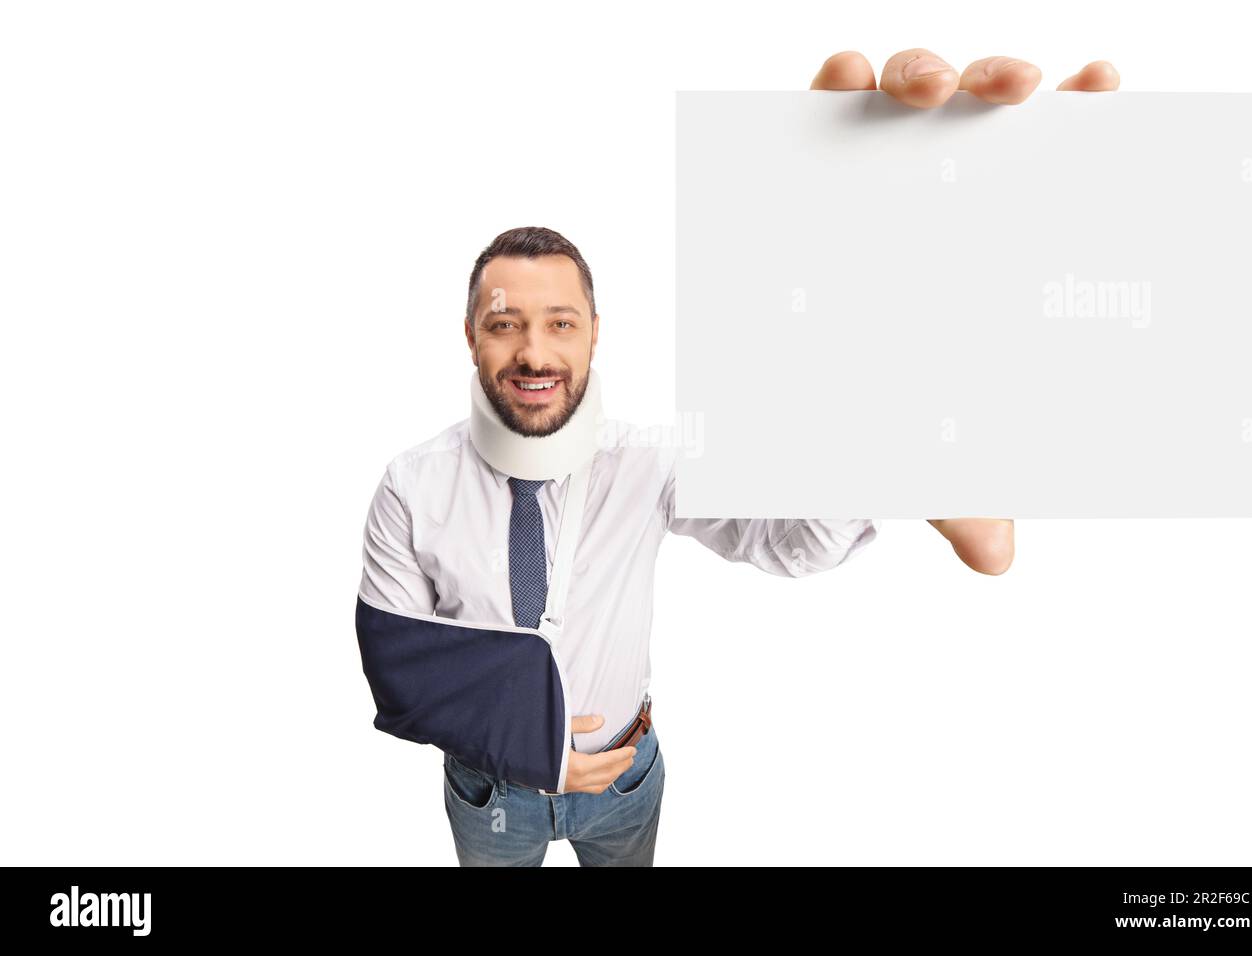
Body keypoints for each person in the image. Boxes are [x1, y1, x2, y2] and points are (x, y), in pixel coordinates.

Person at [357, 49, 1118, 866]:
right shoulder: (413, 485)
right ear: (471, 335)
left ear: (594, 334)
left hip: (623, 780)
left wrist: (876, 432)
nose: (534, 351)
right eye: (505, 323)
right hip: (491, 795)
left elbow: (790, 540)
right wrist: (525, 745)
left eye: (561, 322)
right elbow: (398, 676)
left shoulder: (645, 464)